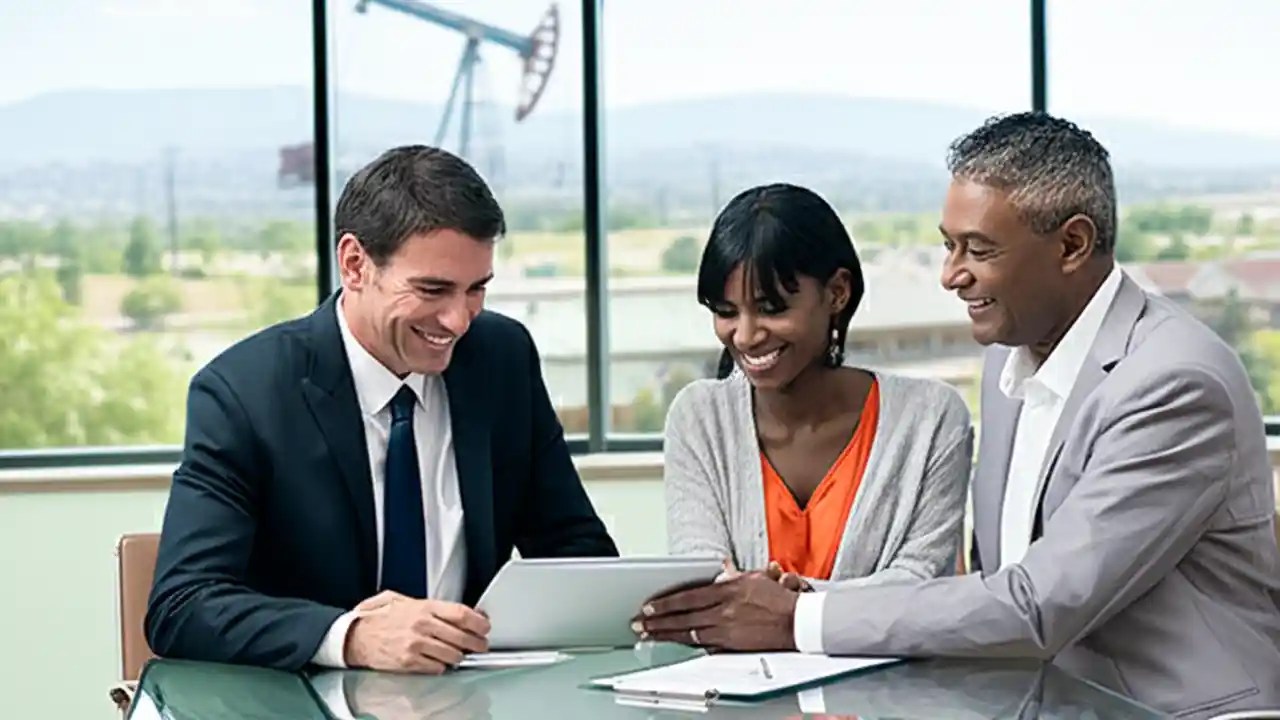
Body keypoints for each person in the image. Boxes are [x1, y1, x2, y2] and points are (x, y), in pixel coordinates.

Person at [633, 113, 1280, 719]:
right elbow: (989, 584)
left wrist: (793, 617)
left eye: (978, 249)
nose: (951, 276)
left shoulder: (1171, 382)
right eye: (948, 247)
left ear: (1073, 245)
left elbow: (1036, 605)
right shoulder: (1009, 368)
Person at [146, 145, 618, 675]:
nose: (458, 320)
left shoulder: (501, 359)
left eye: (476, 290)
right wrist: (351, 637)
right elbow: (182, 605)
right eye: (433, 289)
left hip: (471, 699)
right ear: (355, 265)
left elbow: (575, 551)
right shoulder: (245, 393)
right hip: (305, 703)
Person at [663, 182, 972, 593]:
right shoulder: (699, 419)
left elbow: (918, 586)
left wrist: (782, 607)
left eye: (771, 308)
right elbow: (702, 579)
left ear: (837, 293)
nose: (746, 335)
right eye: (726, 312)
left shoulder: (931, 419)